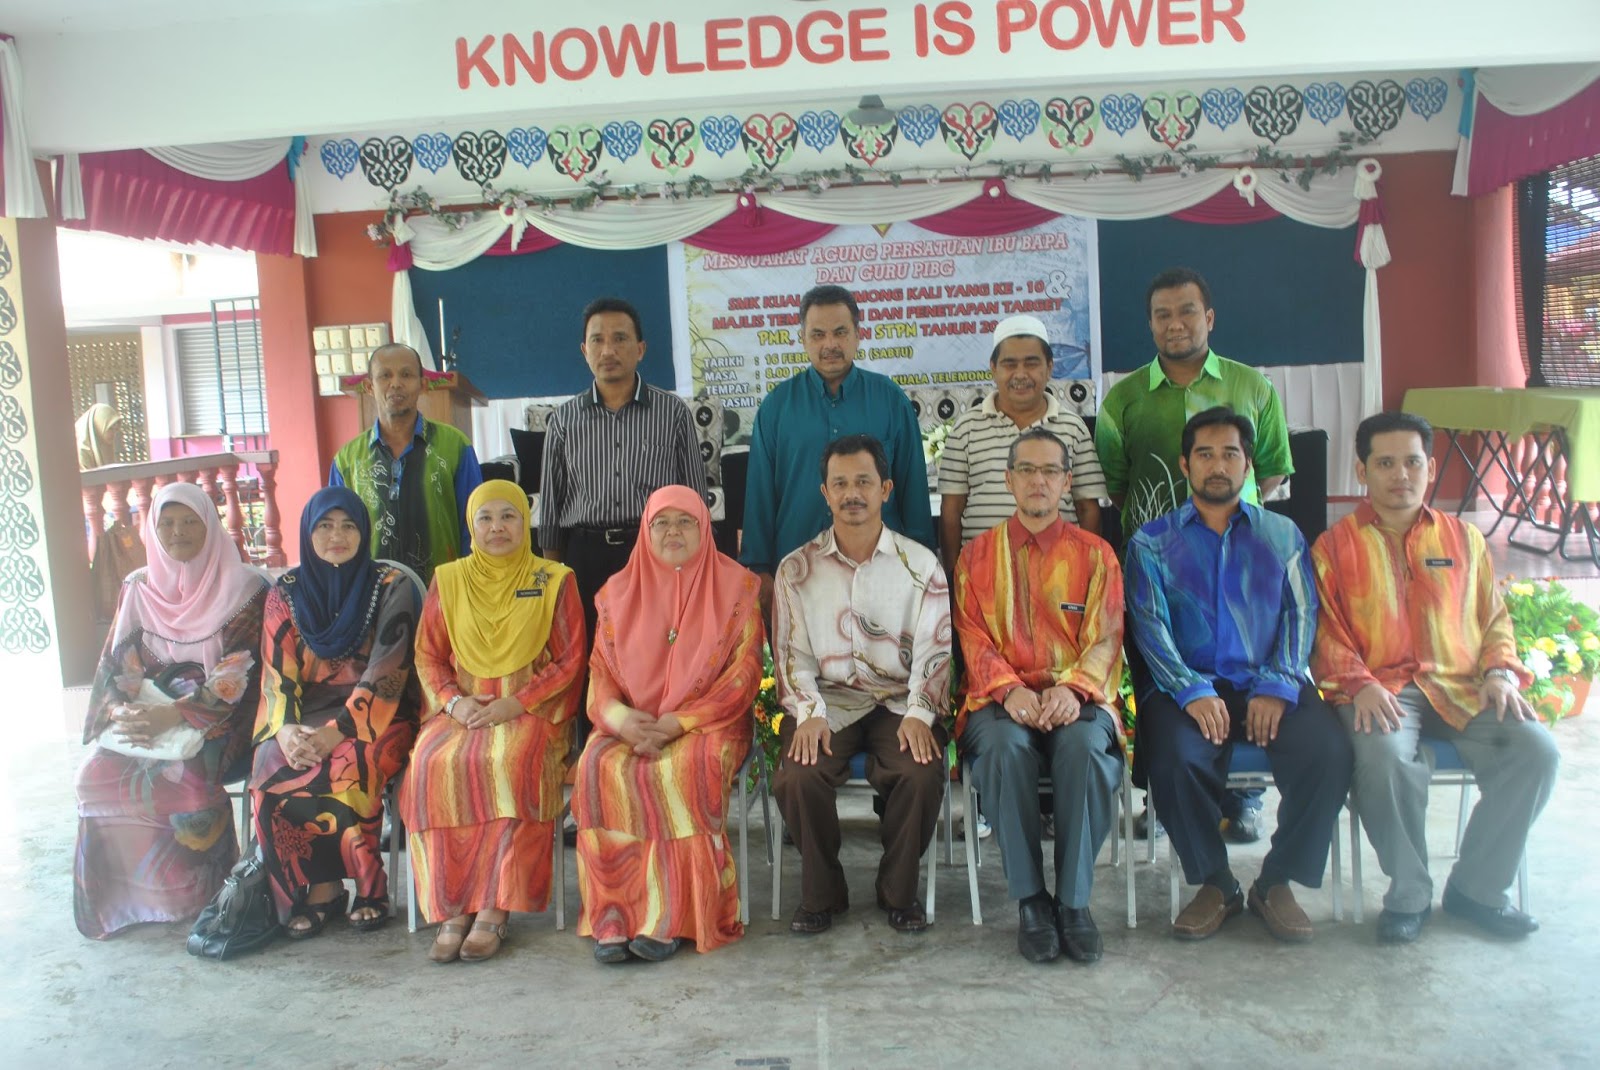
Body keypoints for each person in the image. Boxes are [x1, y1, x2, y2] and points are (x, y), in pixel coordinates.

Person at [1311, 411, 1558, 944]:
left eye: (1412, 462)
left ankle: (1477, 889)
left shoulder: (1464, 539)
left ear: (1430, 467)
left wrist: (1499, 672)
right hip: (1383, 691)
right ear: (1362, 470)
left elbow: (1495, 618)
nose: (1401, 474)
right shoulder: (1334, 548)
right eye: (1386, 463)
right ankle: (1410, 893)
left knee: (1537, 751)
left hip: (1464, 686)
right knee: (1381, 757)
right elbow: (1323, 633)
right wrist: (1359, 683)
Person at [1125, 407, 1351, 943]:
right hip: (1189, 686)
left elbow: (1301, 615)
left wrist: (1277, 685)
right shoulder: (1151, 543)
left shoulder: (1282, 535)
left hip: (1268, 682)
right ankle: (1216, 882)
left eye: (1230, 453)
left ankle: (1276, 881)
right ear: (1185, 464)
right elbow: (1149, 629)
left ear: (1249, 464)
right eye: (1205, 454)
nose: (1218, 465)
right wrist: (1190, 691)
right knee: (1174, 755)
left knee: (1330, 751)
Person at [1096, 266, 1295, 843]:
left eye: (1187, 311)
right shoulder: (1124, 399)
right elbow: (1117, 485)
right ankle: (1164, 796)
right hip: (1157, 574)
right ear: (1150, 324)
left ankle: (1245, 798)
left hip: (1240, 568)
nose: (1175, 323)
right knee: (1160, 680)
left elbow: (1274, 471)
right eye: (1162, 314)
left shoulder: (1252, 387)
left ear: (1209, 318)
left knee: (1247, 673)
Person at [954, 429, 1125, 964]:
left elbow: (1107, 636)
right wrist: (1007, 691)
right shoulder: (976, 558)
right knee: (1005, 751)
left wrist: (1074, 689)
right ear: (1008, 480)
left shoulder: (1096, 557)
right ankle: (1031, 901)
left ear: (1067, 483)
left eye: (1050, 471)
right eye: (1026, 470)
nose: (1038, 481)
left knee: (1084, 751)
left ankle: (1073, 903)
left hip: (1079, 696)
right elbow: (971, 638)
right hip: (999, 700)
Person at [399, 480, 585, 963]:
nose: (498, 527)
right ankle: (454, 906)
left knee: (507, 761)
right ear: (472, 525)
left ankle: (496, 908)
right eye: (486, 517)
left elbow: (569, 661)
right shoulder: (449, 579)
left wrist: (516, 703)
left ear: (527, 523)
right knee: (432, 764)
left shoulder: (554, 578)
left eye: (510, 516)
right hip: (463, 706)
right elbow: (428, 655)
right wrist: (453, 703)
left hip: (531, 710)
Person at [574, 486, 762, 963]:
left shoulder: (737, 588)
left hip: (710, 723)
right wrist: (619, 720)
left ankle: (674, 914)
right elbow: (600, 673)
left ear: (705, 529)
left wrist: (681, 721)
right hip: (631, 724)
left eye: (686, 522)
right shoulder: (616, 594)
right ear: (646, 531)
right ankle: (614, 912)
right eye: (662, 522)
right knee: (598, 766)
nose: (673, 531)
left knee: (685, 769)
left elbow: (743, 677)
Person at [74, 482, 271, 940]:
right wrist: (121, 713)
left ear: (210, 524)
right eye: (166, 523)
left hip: (220, 719)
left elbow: (239, 673)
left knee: (184, 776)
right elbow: (117, 662)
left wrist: (177, 714)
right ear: (153, 529)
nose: (177, 531)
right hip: (149, 712)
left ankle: (192, 896)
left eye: (189, 521)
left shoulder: (246, 588)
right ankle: (126, 897)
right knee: (95, 775)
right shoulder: (139, 587)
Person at [771, 434, 951, 935]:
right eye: (840, 483)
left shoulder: (921, 565)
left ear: (886, 489)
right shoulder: (796, 569)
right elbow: (792, 653)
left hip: (898, 700)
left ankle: (898, 893)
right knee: (798, 775)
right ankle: (822, 894)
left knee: (920, 771)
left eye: (864, 482)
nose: (853, 493)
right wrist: (807, 713)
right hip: (830, 701)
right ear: (824, 493)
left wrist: (920, 711)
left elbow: (937, 650)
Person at [249, 487, 421, 938]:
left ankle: (370, 888)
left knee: (348, 765)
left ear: (364, 532)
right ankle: (318, 886)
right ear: (308, 532)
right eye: (324, 525)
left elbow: (389, 669)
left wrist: (337, 731)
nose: (337, 536)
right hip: (303, 715)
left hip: (380, 714)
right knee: (270, 766)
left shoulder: (390, 586)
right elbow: (276, 675)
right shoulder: (284, 593)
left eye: (348, 525)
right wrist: (285, 730)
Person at [537, 297, 709, 739]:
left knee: (655, 657)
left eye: (619, 339)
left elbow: (695, 499)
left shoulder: (672, 414)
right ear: (584, 351)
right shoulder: (563, 420)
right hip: (586, 555)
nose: (608, 350)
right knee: (587, 660)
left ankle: (660, 749)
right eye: (598, 340)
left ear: (641, 349)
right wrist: (556, 577)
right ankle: (591, 756)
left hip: (652, 553)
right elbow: (552, 506)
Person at [742, 285, 934, 615]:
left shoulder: (890, 401)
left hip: (883, 573)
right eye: (817, 334)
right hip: (798, 575)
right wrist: (759, 568)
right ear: (802, 339)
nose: (829, 344)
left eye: (840, 332)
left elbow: (913, 488)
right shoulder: (777, 407)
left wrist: (922, 563)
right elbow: (759, 494)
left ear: (859, 335)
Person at [938, 315, 1105, 579]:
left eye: (1031, 363)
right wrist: (953, 574)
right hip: (982, 578)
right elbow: (951, 510)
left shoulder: (1073, 428)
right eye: (1009, 364)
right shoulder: (966, 428)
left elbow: (1088, 508)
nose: (1020, 374)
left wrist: (1087, 571)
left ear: (1049, 368)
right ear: (993, 368)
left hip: (1060, 574)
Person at [330, 342, 483, 586]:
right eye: (385, 375)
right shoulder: (347, 460)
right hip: (373, 594)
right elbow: (337, 534)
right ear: (369, 386)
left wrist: (470, 586)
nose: (396, 383)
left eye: (406, 374)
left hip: (444, 591)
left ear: (423, 385)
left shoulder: (454, 446)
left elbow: (474, 524)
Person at [76, 402, 124, 469]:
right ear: (98, 427)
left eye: (115, 430)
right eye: (110, 429)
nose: (113, 434)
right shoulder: (81, 454)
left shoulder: (105, 447)